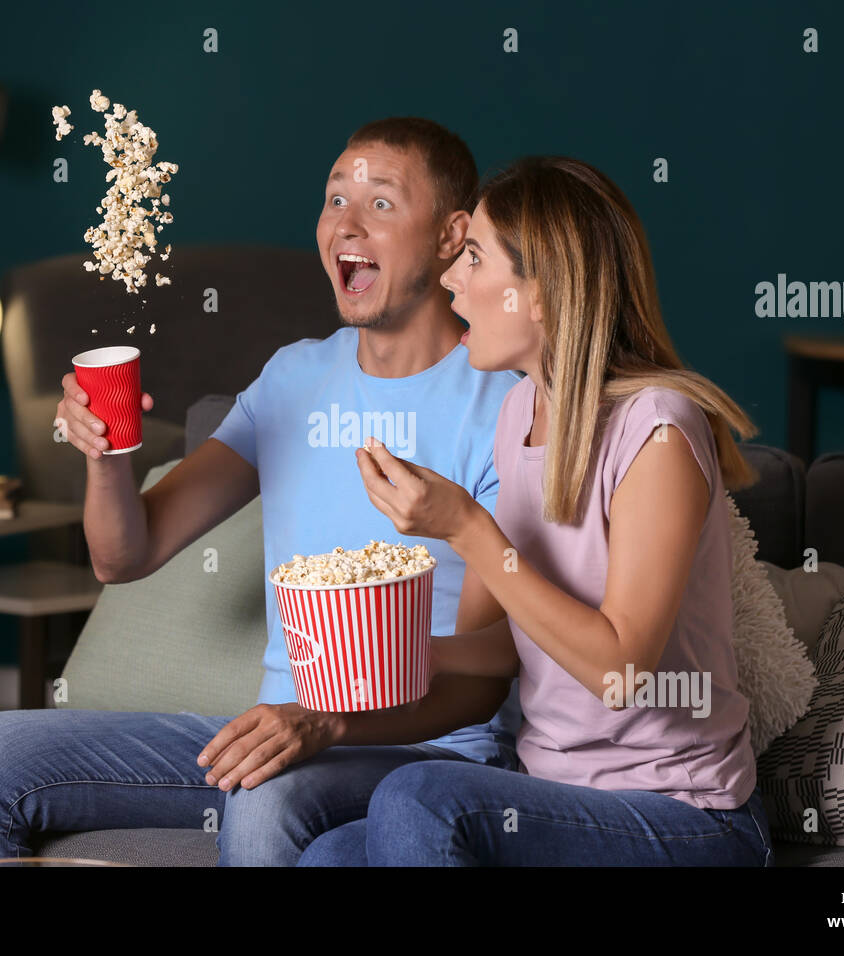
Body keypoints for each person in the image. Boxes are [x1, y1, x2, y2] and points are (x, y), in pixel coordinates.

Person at [0, 117, 523, 867]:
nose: (345, 222)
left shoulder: (504, 405)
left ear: (449, 236)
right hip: (271, 731)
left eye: (379, 203)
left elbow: (487, 675)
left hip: (424, 753)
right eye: (334, 197)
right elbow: (125, 554)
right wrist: (106, 457)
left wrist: (326, 718)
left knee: (265, 798)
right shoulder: (292, 378)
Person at [298, 155, 777, 866]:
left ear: (544, 293)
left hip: (685, 819)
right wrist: (386, 664)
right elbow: (521, 644)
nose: (450, 279)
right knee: (327, 857)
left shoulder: (659, 429)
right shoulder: (521, 410)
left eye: (474, 259)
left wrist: (467, 526)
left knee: (419, 797)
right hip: (552, 797)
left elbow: (620, 673)